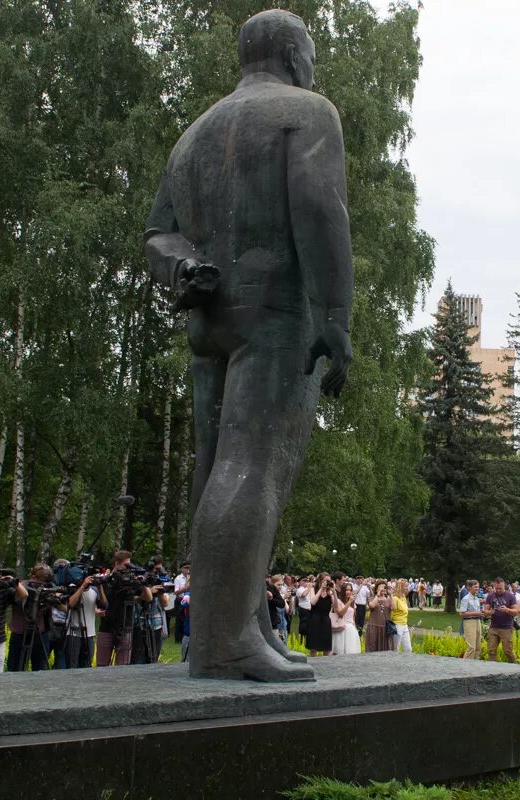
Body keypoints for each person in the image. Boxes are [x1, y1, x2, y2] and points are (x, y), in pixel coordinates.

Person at [144, 9, 352, 682]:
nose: (312, 67)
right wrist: (337, 315)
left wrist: (184, 269)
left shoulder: (192, 136)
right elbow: (320, 209)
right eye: (311, 55)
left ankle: (238, 626)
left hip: (210, 318)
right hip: (275, 310)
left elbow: (158, 236)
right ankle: (226, 642)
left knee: (216, 473)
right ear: (294, 55)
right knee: (254, 469)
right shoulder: (305, 111)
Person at [96, 551, 153, 667]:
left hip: (125, 625)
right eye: (126, 565)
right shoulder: (107, 580)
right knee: (101, 664)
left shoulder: (131, 581)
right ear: (116, 564)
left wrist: (143, 584)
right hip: (107, 625)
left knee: (122, 666)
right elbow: (101, 602)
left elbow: (149, 598)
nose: (128, 568)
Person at [6, 564, 55, 672]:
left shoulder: (48, 589)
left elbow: (64, 607)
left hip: (41, 635)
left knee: (40, 670)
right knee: (15, 670)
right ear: (33, 577)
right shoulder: (21, 586)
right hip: (20, 634)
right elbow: (19, 597)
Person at [63, 571, 101, 669]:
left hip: (89, 635)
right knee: (72, 667)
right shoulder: (72, 588)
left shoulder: (94, 590)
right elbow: (70, 604)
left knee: (87, 666)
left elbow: (105, 604)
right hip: (73, 634)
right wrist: (82, 586)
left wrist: (100, 586)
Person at [484, 578, 520, 663]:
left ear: (504, 585)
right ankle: (492, 669)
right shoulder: (490, 596)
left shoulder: (510, 596)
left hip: (506, 627)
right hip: (494, 627)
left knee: (507, 651)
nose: (498, 590)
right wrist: (490, 612)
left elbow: (516, 612)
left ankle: (515, 667)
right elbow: (485, 612)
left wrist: (507, 610)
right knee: (491, 651)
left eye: (500, 588)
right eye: (496, 588)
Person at [306, 573, 335, 657]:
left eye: (329, 581)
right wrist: (321, 589)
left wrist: (333, 592)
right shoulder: (313, 590)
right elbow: (313, 602)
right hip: (315, 621)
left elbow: (335, 606)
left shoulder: (330, 593)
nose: (327, 582)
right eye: (326, 580)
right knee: (313, 648)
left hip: (326, 621)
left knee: (326, 648)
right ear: (320, 580)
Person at [330, 581, 360, 655]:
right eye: (347, 590)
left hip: (351, 628)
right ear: (343, 591)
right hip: (342, 627)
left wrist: (355, 628)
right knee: (340, 651)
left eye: (350, 590)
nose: (349, 592)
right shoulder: (339, 601)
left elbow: (353, 618)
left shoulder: (353, 602)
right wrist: (349, 602)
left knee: (351, 650)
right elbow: (340, 614)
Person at [364, 580, 392, 653]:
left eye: (384, 587)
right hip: (374, 627)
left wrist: (391, 595)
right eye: (381, 587)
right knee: (372, 648)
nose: (383, 589)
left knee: (385, 649)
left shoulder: (388, 599)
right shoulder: (372, 598)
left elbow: (394, 608)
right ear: (376, 589)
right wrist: (378, 595)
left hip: (385, 628)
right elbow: (372, 605)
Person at [458, 580, 483, 659]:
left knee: (478, 646)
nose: (477, 589)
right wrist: (476, 613)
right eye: (475, 587)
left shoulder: (477, 599)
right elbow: (462, 614)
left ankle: (474, 665)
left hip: (477, 621)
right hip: (469, 622)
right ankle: (465, 667)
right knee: (471, 647)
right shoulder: (466, 599)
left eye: (478, 587)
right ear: (470, 587)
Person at [391, 578, 412, 653]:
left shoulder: (403, 597)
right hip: (397, 626)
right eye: (405, 586)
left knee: (408, 649)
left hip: (404, 625)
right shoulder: (395, 598)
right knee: (395, 648)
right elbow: (391, 614)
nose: (407, 588)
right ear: (400, 587)